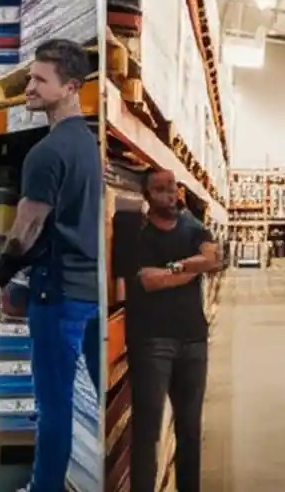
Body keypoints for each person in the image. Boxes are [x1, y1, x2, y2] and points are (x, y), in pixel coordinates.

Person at [0, 38, 101, 492]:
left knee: (53, 405)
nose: (28, 87)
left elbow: (27, 228)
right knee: (92, 388)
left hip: (56, 295)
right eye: (29, 77)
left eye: (39, 80)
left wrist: (1, 274)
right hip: (90, 291)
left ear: (71, 87)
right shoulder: (90, 144)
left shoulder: (47, 153)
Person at [113, 168, 220, 492]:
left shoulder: (192, 226)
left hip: (193, 341)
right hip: (151, 341)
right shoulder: (137, 232)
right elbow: (146, 279)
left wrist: (173, 269)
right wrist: (190, 268)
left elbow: (213, 258)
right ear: (146, 196)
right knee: (147, 431)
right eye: (159, 189)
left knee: (190, 429)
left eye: (172, 187)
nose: (169, 195)